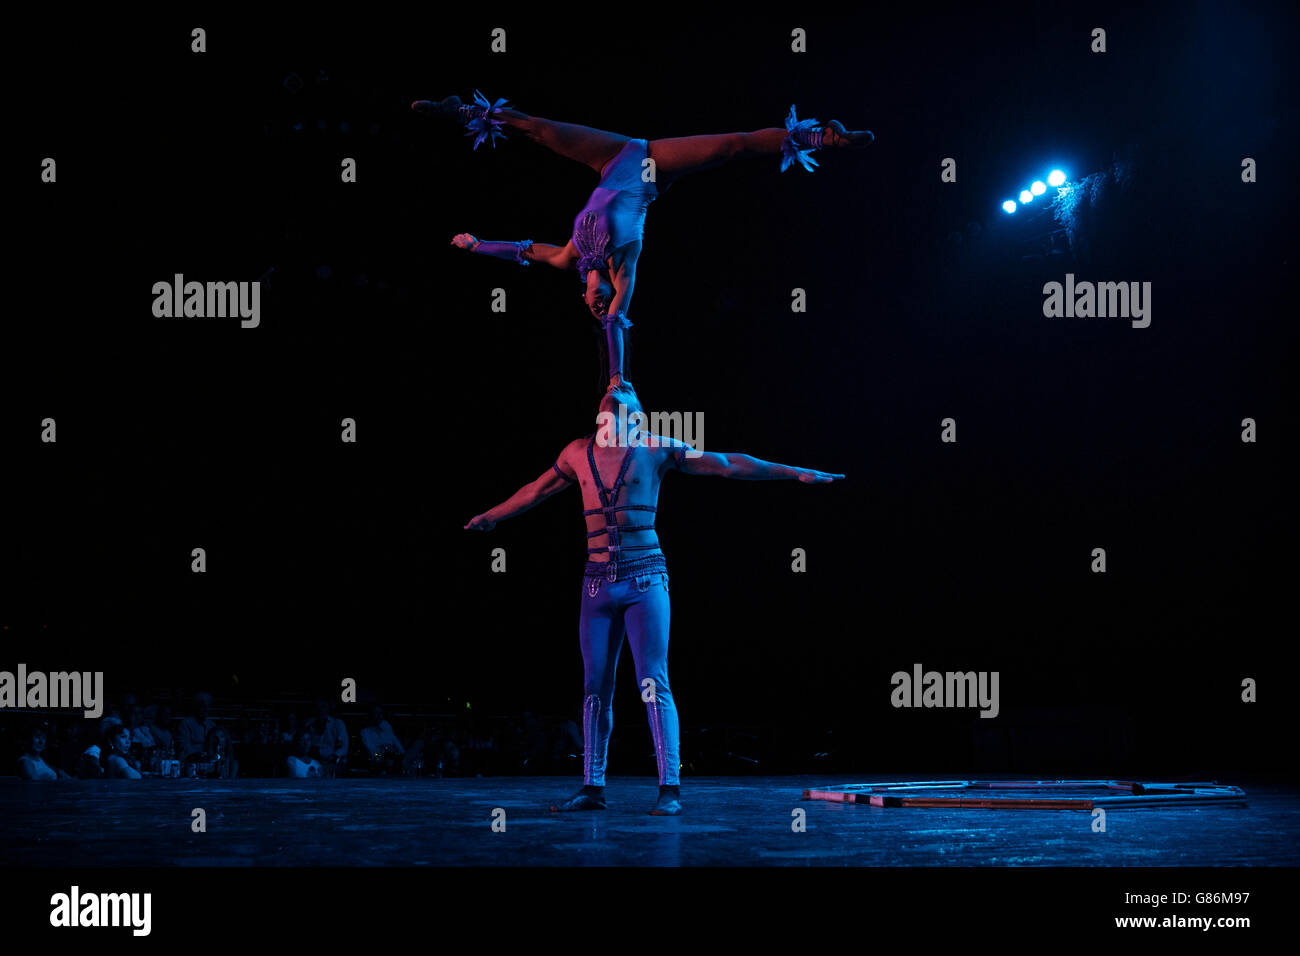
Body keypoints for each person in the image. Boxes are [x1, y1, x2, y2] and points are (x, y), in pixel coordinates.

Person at [464, 380, 843, 814]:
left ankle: (670, 788)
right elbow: (536, 490)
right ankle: (592, 787)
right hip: (596, 583)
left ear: (638, 415)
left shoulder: (656, 447)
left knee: (651, 683)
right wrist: (492, 517)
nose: (616, 386)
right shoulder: (576, 453)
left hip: (644, 578)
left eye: (625, 391)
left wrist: (793, 471)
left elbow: (728, 464)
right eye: (610, 390)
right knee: (594, 687)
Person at [414, 93, 873, 387]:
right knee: (734, 145)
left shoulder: (567, 257)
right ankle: (826, 139)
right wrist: (616, 378)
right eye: (604, 305)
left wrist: (476, 245)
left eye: (591, 307)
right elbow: (617, 322)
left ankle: (460, 110)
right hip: (653, 166)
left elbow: (521, 251)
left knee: (539, 129)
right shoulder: (624, 267)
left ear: (583, 294)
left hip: (613, 158)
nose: (599, 307)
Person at [305, 700, 348, 776]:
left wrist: (333, 757)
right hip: (313, 760)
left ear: (328, 708)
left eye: (323, 706)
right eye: (317, 707)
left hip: (332, 760)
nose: (320, 710)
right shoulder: (310, 724)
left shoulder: (337, 723)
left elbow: (344, 747)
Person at [175, 692, 217, 760]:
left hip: (208, 762)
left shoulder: (212, 725)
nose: (205, 709)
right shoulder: (185, 724)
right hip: (190, 762)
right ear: (196, 706)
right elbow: (185, 748)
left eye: (207, 705)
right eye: (202, 705)